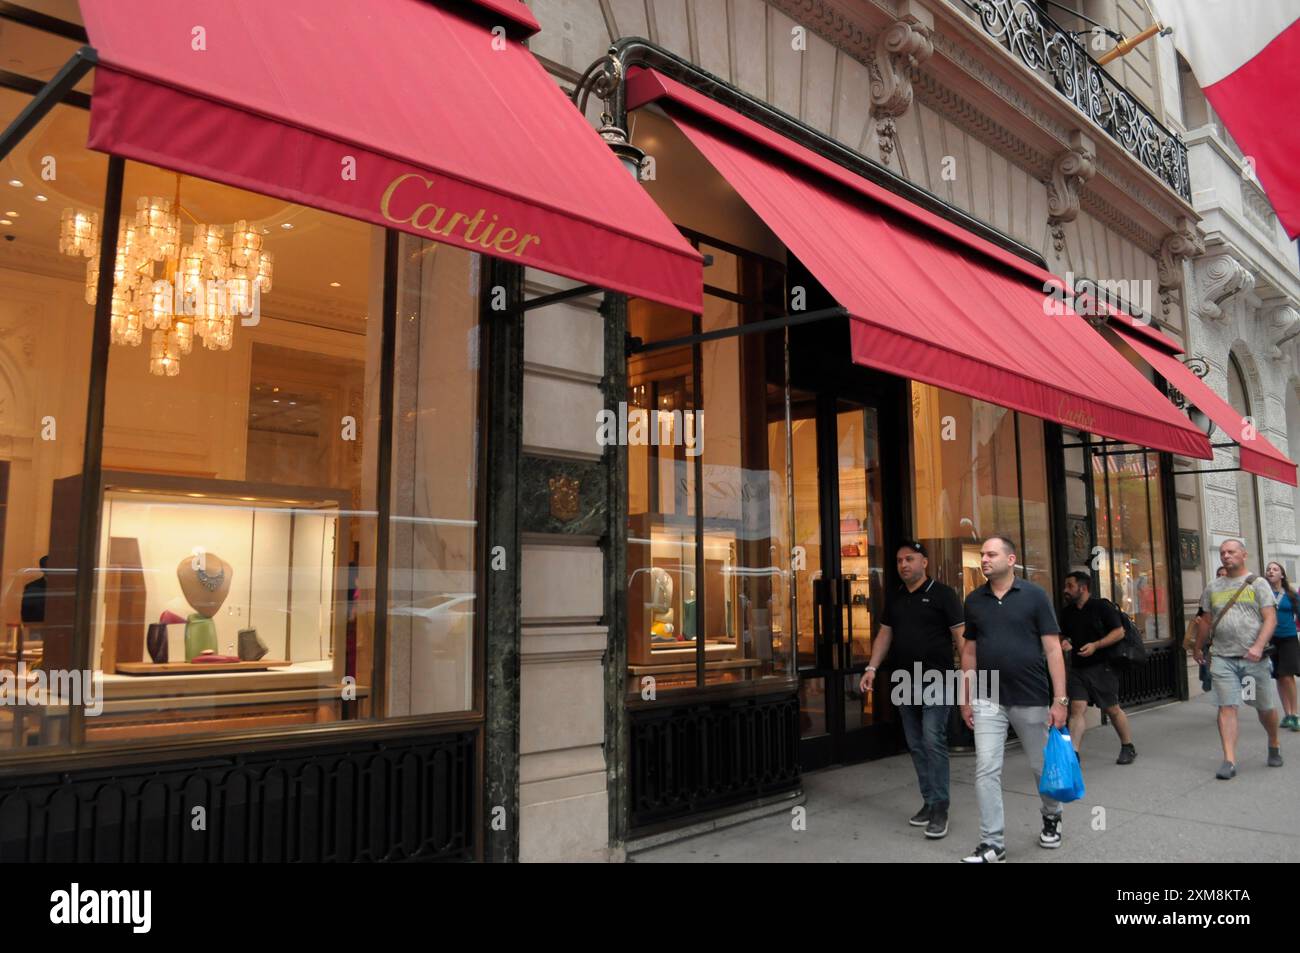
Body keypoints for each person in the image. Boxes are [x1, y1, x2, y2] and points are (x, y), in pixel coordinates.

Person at [958, 536, 1069, 863]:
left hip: (1030, 695)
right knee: (986, 769)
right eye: (982, 555)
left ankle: (1052, 814)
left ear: (1011, 559)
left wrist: (1060, 699)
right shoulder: (974, 600)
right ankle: (992, 843)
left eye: (991, 554)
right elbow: (968, 651)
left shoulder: (1034, 596)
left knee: (1040, 766)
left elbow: (1052, 649)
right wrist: (965, 698)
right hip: (988, 697)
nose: (985, 559)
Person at [860, 541, 965, 839]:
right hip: (904, 682)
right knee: (917, 744)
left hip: (939, 680)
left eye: (910, 559)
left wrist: (970, 681)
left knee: (933, 740)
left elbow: (961, 638)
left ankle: (941, 807)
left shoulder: (944, 595)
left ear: (924, 562)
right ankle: (929, 802)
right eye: (899, 560)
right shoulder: (894, 599)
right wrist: (871, 668)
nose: (904, 565)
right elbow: (885, 635)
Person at [1193, 539, 1282, 779]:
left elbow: (1270, 619)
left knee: (1264, 708)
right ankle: (1229, 760)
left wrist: (1258, 646)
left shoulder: (1259, 584)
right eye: (1222, 553)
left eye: (1231, 552)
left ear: (1244, 554)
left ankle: (1273, 742)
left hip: (1254, 659)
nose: (1226, 556)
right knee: (1227, 707)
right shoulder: (1212, 587)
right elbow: (1206, 621)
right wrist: (1198, 647)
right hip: (1223, 657)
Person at [1058, 571, 1136, 765]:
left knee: (1112, 709)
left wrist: (1096, 645)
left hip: (1102, 666)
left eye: (1070, 586)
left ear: (1082, 588)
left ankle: (1128, 746)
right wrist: (1065, 642)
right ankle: (1073, 753)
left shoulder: (1101, 607)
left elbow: (1119, 632)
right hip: (1078, 668)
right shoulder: (1067, 612)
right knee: (1077, 708)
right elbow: (1064, 636)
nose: (1065, 590)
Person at [1264, 561, 1300, 731]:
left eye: (1275, 569)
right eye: (1269, 569)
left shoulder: (1291, 595)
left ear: (1282, 575)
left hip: (1289, 638)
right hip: (1271, 639)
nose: (1271, 571)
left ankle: (1295, 714)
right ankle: (1287, 714)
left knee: (1287, 675)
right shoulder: (1262, 593)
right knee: (1279, 675)